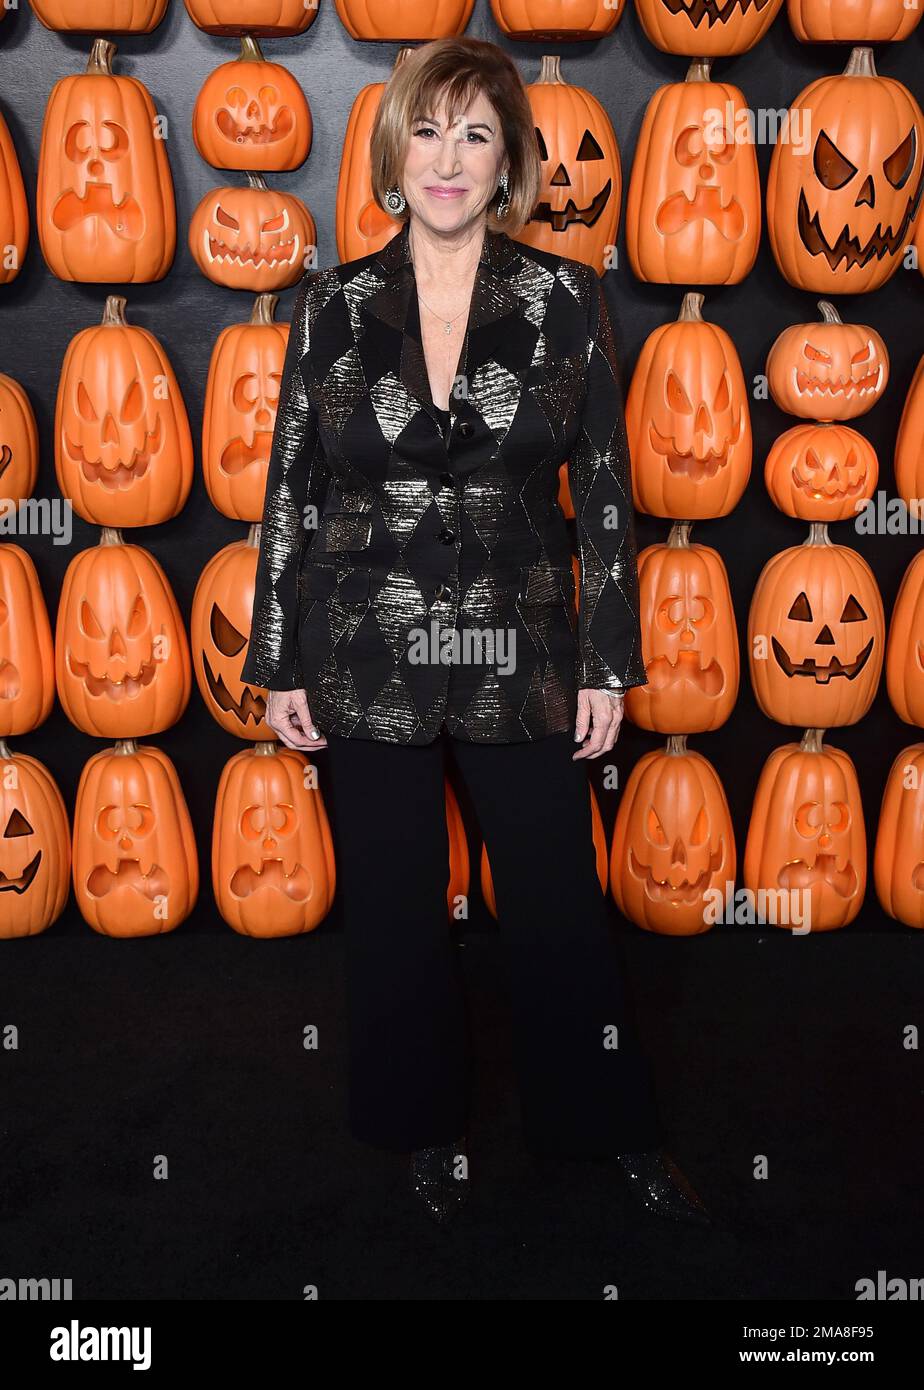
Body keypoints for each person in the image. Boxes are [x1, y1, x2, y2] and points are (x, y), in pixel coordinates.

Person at [241, 37, 710, 1228]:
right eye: (431, 131)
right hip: (366, 653)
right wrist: (273, 657)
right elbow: (291, 487)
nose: (449, 158)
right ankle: (421, 1132)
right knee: (397, 910)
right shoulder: (331, 305)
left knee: (556, 901)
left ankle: (613, 1129)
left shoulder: (562, 298)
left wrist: (610, 659)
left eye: (476, 134)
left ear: (508, 161)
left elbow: (604, 489)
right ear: (398, 150)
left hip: (517, 652)